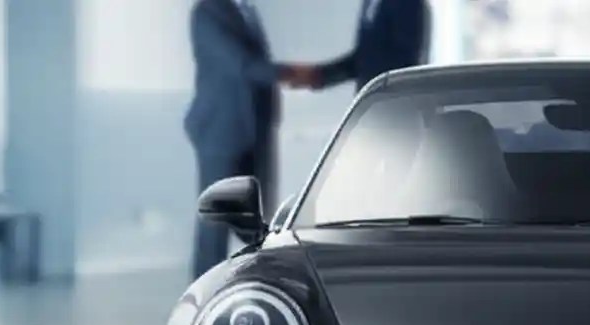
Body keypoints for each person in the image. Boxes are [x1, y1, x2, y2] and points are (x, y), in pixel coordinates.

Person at [184, 0, 313, 279]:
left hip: (254, 130)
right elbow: (239, 64)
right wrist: (288, 73)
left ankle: (256, 289)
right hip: (220, 131)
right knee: (214, 223)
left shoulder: (246, 12)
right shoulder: (208, 11)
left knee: (255, 220)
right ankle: (202, 301)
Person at [299, 0, 431, 94]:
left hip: (393, 108)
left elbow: (406, 61)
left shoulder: (409, 3)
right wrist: (321, 76)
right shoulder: (369, 3)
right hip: (370, 109)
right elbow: (364, 58)